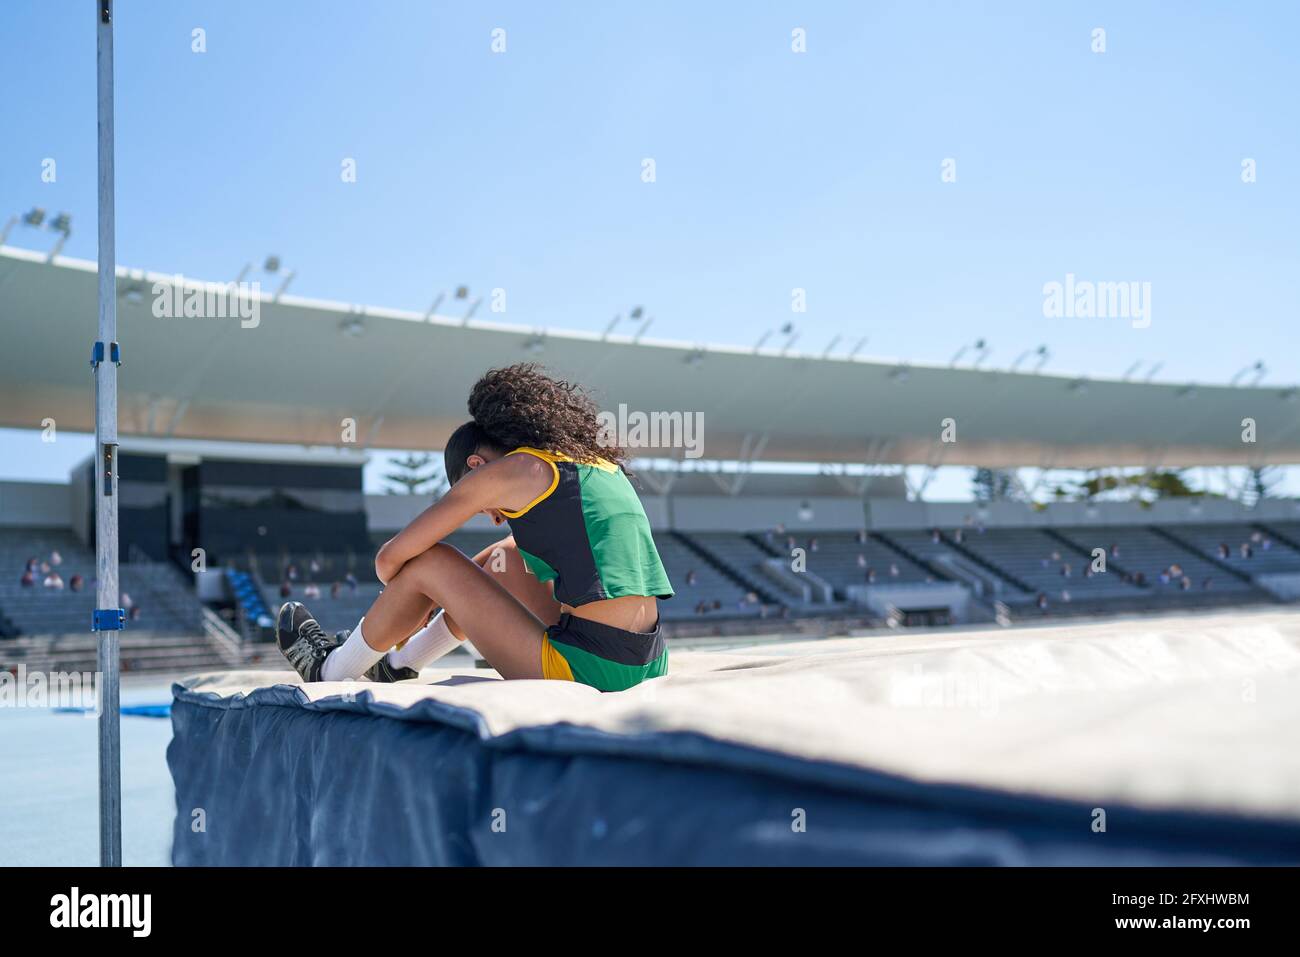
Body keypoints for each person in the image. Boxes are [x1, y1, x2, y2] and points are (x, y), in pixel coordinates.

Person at [277, 363, 674, 691]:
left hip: (592, 669)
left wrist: (418, 595)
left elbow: (389, 560)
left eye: (484, 507)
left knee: (431, 560)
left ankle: (330, 670)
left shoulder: (509, 472)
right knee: (506, 556)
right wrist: (437, 600)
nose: (495, 516)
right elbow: (492, 568)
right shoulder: (590, 463)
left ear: (475, 468)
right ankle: (399, 662)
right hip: (648, 661)